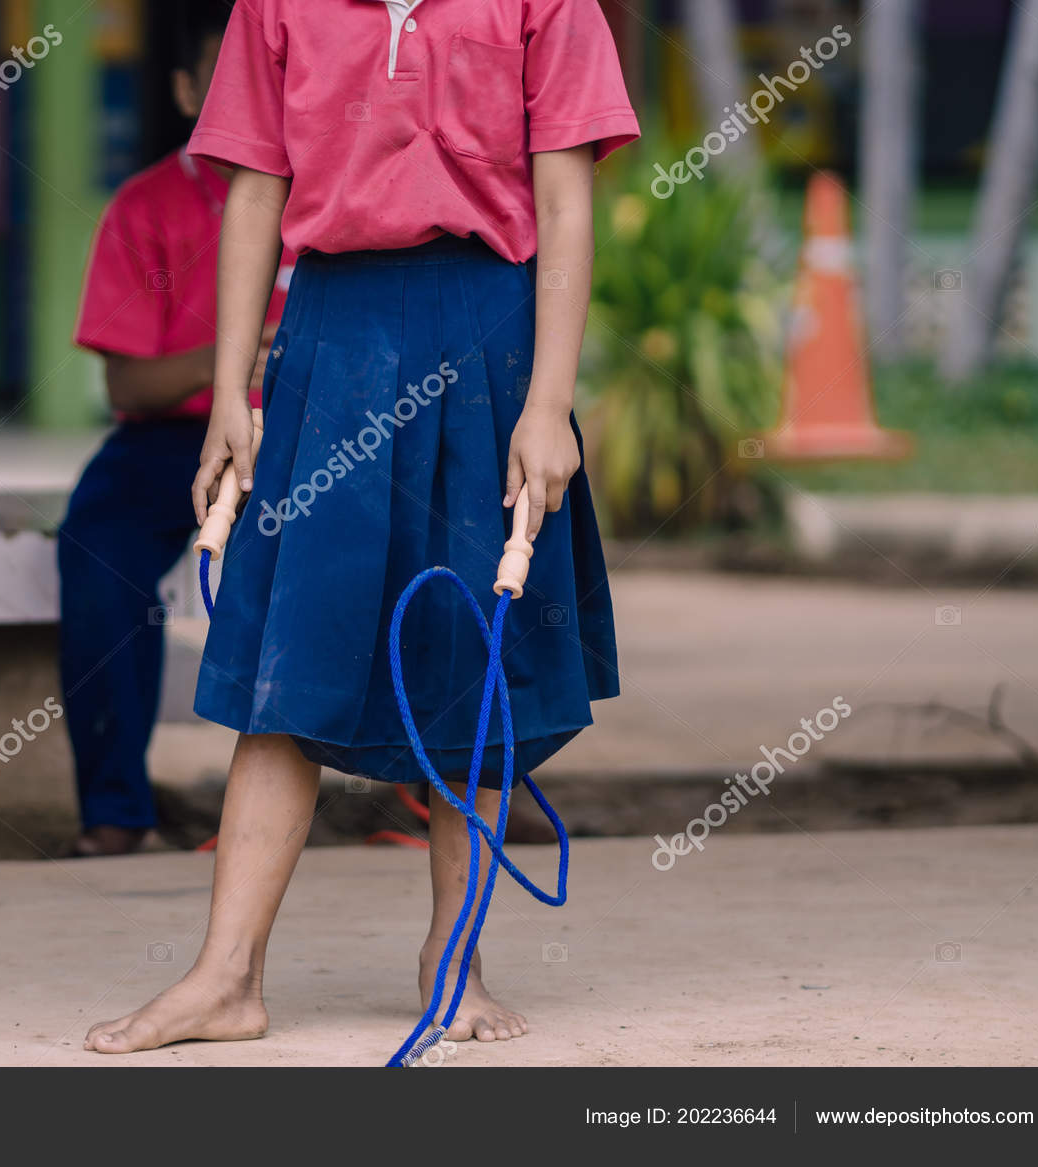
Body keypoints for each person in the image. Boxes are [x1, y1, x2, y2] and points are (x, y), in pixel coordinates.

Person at [85, 0, 638, 1052]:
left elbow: (565, 205)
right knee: (285, 656)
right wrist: (231, 395)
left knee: (474, 659)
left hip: (492, 331)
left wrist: (548, 403)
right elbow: (255, 192)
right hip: (331, 335)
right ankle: (226, 978)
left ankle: (455, 963)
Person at [59, 1, 295, 858]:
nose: (256, 99)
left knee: (435, 533)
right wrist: (225, 360)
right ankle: (116, 811)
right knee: (96, 548)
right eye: (231, 81)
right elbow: (126, 383)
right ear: (190, 91)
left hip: (319, 435)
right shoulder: (146, 205)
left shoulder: (336, 196)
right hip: (180, 440)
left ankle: (456, 791)